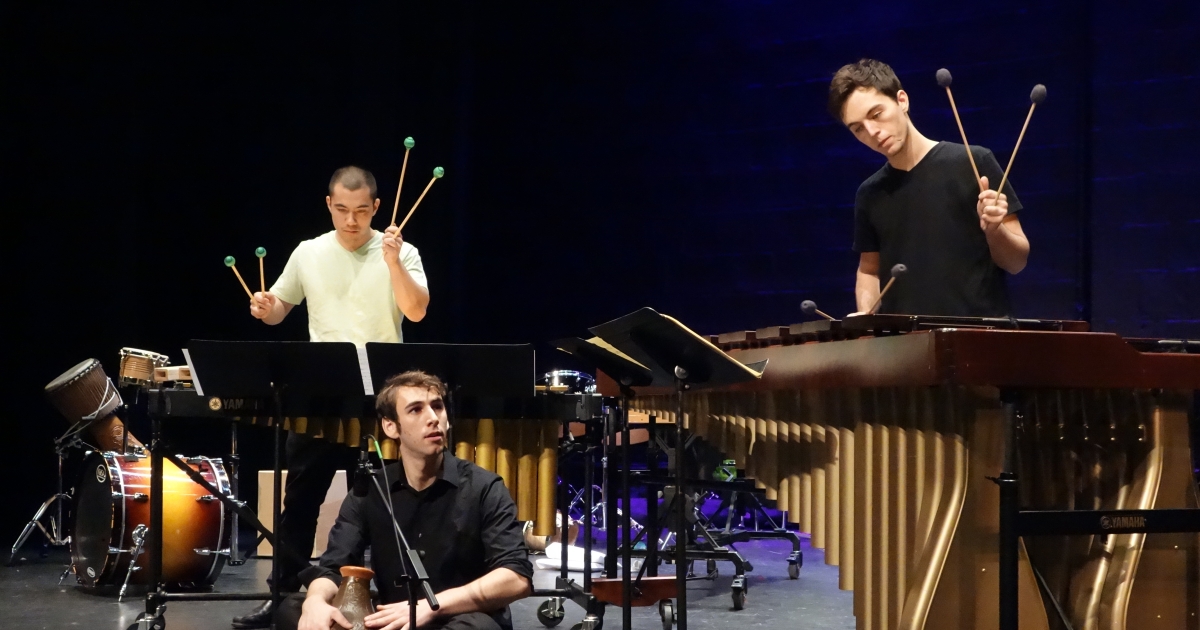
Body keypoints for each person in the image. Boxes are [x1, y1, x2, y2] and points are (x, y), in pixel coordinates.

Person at [233, 166, 431, 628]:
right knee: (300, 498)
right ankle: (280, 593)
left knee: (388, 498)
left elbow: (417, 312)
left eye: (362, 211)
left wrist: (394, 262)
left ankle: (396, 593)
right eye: (342, 210)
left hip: (384, 397)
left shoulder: (400, 251)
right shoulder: (309, 253)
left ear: (377, 208)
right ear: (329, 205)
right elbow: (280, 309)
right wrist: (266, 309)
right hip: (321, 395)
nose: (351, 220)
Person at [275, 370, 533, 630]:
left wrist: (430, 607)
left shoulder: (484, 487)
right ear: (390, 426)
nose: (433, 418)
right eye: (416, 410)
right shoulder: (371, 489)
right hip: (394, 619)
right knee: (294, 609)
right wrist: (315, 600)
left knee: (478, 627)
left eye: (438, 407)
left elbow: (516, 578)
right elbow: (333, 567)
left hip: (457, 616)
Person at [828, 59, 1030, 317]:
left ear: (902, 100)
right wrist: (866, 314)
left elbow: (1017, 262)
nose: (872, 132)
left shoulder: (973, 161)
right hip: (906, 347)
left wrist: (995, 230)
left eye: (876, 114)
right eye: (858, 129)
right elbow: (869, 269)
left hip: (979, 338)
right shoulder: (870, 193)